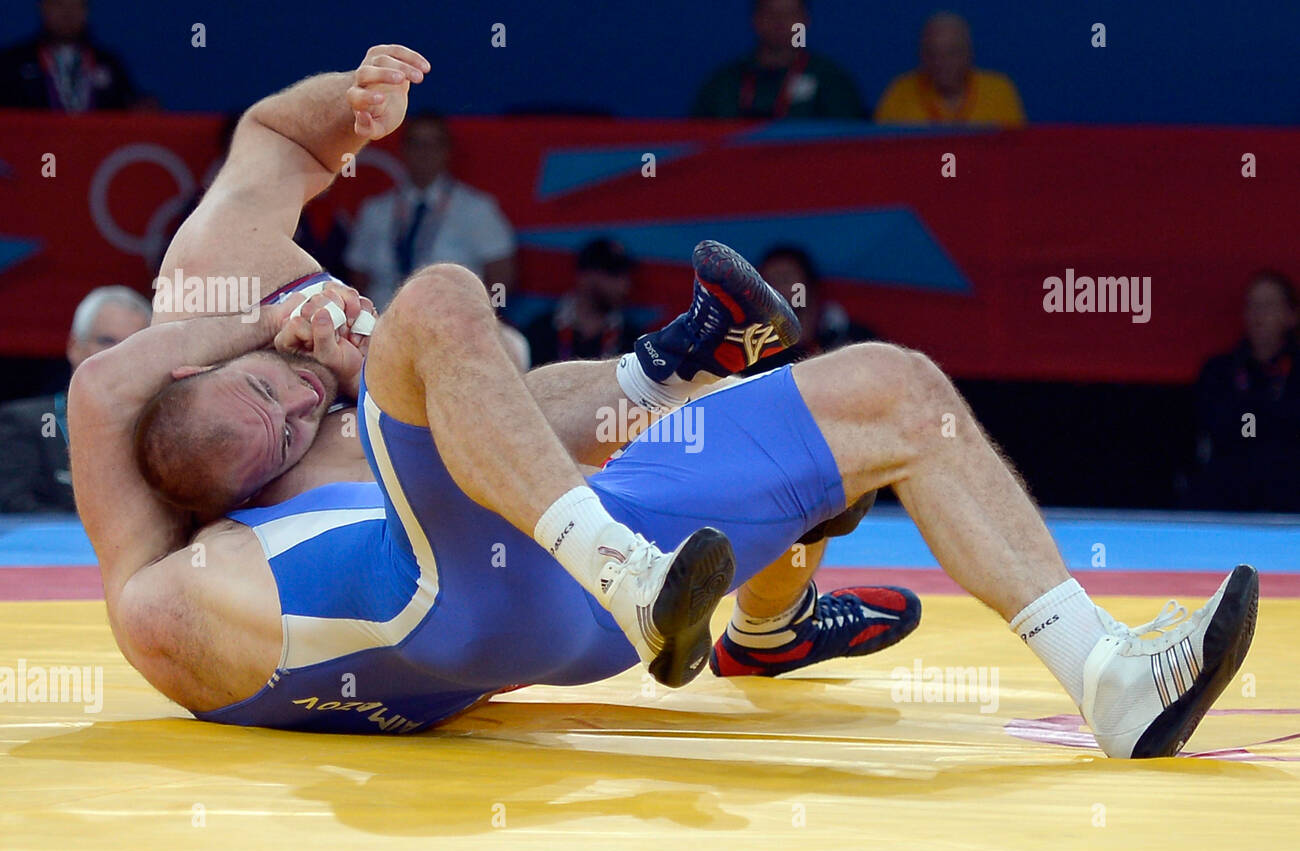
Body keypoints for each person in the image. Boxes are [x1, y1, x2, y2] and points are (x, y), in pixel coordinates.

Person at [73, 46, 1256, 760]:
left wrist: (358, 103)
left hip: (558, 592)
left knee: (893, 389)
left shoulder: (228, 273)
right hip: (426, 611)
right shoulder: (197, 514)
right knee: (439, 308)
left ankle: (1104, 674)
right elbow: (97, 396)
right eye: (284, 432)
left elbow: (271, 136)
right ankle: (689, 586)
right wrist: (270, 338)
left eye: (276, 395)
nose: (298, 404)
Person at [343, 111, 516, 311]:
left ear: (447, 150)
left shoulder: (477, 209)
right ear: (403, 149)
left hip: (451, 324)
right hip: (384, 320)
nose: (424, 152)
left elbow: (501, 274)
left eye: (434, 143)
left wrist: (484, 319)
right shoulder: (375, 210)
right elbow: (358, 274)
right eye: (416, 143)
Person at [0, 285, 149, 513]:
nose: (118, 354)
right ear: (74, 347)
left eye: (133, 344)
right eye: (107, 341)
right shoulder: (24, 424)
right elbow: (16, 514)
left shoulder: (165, 427)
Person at [1187, 270, 1300, 512]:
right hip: (1230, 491)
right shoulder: (1220, 370)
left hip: (1289, 493)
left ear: (1292, 315)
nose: (1259, 315)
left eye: (1269, 305)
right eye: (1253, 306)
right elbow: (1219, 425)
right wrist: (1263, 417)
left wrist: (1254, 415)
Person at [692, 0, 863, 119]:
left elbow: (849, 148)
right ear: (755, 19)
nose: (780, 22)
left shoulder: (832, 82)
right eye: (770, 13)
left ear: (805, 21)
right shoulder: (724, 84)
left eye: (790, 14)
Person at [742, 244, 875, 374]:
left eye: (784, 279)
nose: (776, 290)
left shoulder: (853, 338)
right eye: (768, 282)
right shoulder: (755, 354)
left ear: (810, 284)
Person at [874, 12, 1025, 127]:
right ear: (922, 56)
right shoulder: (899, 94)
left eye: (952, 53)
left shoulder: (999, 92)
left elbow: (1016, 156)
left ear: (968, 54)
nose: (942, 63)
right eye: (933, 53)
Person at [0, 0, 142, 111]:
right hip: (34, 147)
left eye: (76, 5)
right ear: (42, 7)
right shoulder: (13, 63)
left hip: (93, 147)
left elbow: (128, 112)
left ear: (87, 11)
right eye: (59, 4)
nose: (67, 14)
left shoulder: (109, 63)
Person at [525, 238, 642, 368]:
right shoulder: (539, 331)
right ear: (584, 276)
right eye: (613, 275)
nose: (624, 286)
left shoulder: (633, 340)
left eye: (626, 276)